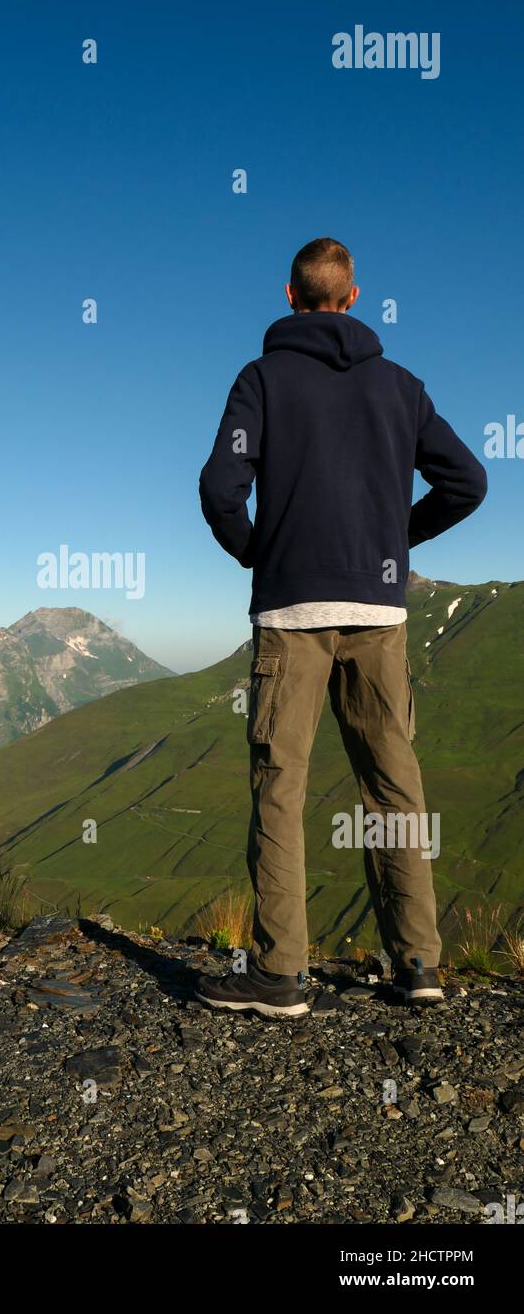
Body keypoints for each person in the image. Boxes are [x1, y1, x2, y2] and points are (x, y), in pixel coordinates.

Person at [195, 238, 487, 1017]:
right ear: (353, 297)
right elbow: (469, 481)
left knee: (280, 784)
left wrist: (260, 552)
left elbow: (221, 488)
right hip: (380, 611)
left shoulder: (260, 380)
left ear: (289, 296)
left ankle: (280, 973)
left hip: (292, 614)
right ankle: (419, 964)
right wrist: (395, 539)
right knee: (394, 783)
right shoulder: (401, 387)